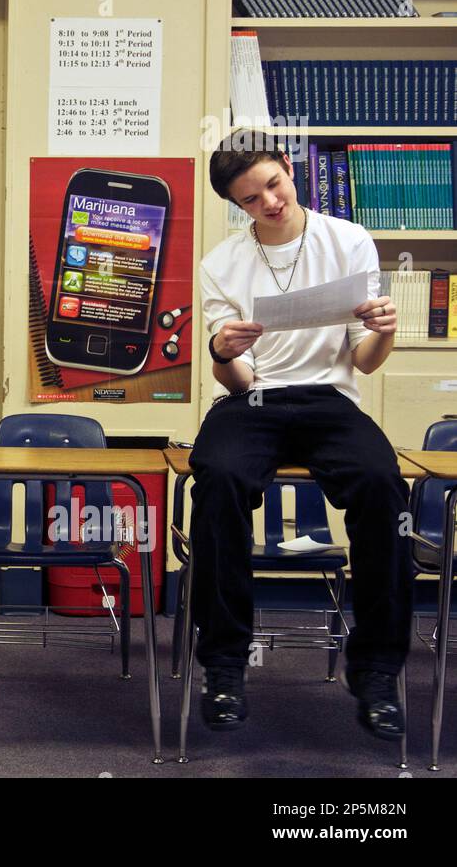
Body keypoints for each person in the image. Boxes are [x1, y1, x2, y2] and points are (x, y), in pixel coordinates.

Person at [192, 132, 411, 739]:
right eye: (252, 198)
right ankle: (225, 664)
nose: (269, 201)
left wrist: (386, 329)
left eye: (273, 184)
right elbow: (232, 380)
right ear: (239, 206)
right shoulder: (221, 262)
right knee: (218, 479)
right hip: (252, 396)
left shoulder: (348, 240)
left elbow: (363, 363)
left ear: (289, 169)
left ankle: (374, 671)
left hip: (328, 398)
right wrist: (221, 350)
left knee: (380, 484)